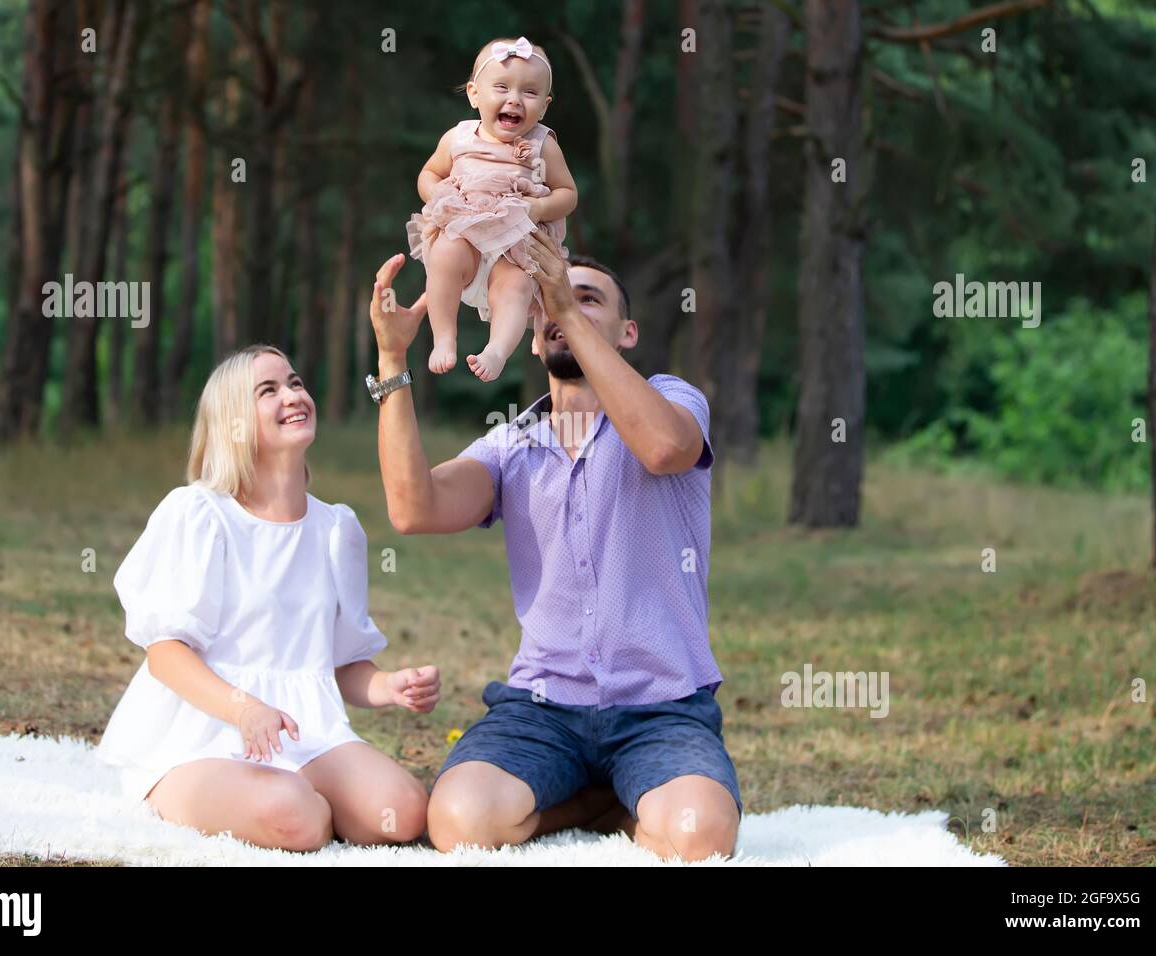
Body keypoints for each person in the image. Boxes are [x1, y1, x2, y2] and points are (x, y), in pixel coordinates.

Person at [366, 233, 743, 862]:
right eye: (546, 300)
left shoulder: (675, 399)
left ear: (627, 333)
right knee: (459, 821)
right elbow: (413, 508)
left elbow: (663, 449)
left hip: (663, 709)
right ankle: (604, 805)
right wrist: (391, 360)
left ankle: (626, 798)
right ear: (534, 332)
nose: (562, 304)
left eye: (588, 298)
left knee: (700, 837)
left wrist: (563, 303)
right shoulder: (511, 444)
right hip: (541, 710)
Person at [97, 344, 438, 851]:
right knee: (294, 817)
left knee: (403, 813)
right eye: (268, 390)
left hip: (306, 731)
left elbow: (341, 664)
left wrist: (389, 686)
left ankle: (300, 798)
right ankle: (190, 796)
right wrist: (244, 710)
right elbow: (166, 655)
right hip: (202, 731)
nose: (293, 395)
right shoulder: (200, 515)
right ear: (233, 424)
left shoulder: (335, 528)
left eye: (296, 382)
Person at [406, 35, 577, 382]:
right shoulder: (458, 138)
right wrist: (437, 193)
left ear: (543, 107)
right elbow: (429, 173)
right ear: (474, 94)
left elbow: (568, 193)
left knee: (513, 287)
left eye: (529, 93)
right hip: (466, 234)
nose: (514, 99)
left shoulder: (543, 144)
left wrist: (539, 207)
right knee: (443, 254)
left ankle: (497, 349)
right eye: (502, 87)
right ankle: (444, 337)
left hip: (514, 248)